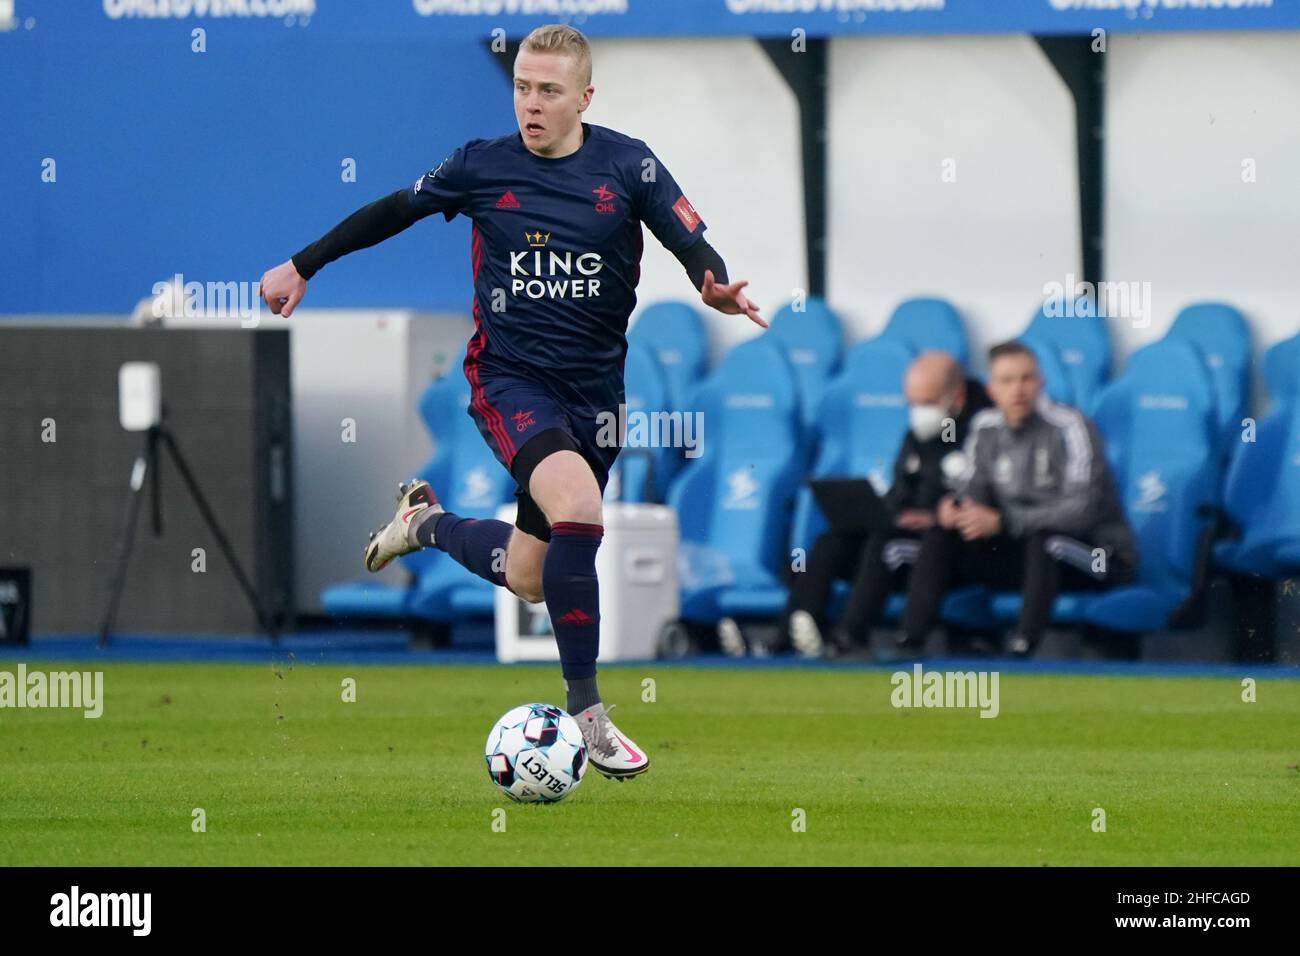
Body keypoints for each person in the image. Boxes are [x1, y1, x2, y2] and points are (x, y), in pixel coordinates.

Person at [257, 24, 765, 780]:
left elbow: (692, 245)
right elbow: (393, 210)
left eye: (549, 91)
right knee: (579, 506)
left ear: (584, 97)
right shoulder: (480, 166)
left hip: (595, 397)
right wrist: (304, 263)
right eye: (524, 87)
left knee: (531, 574)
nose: (532, 103)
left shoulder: (630, 166)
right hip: (509, 382)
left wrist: (714, 285)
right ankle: (589, 718)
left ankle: (424, 524)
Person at [898, 341, 1138, 657]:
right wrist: (957, 510)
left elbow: (1083, 510)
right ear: (991, 389)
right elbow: (971, 490)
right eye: (1007, 381)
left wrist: (1004, 521)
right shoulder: (985, 427)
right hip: (1026, 555)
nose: (1018, 390)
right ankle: (909, 641)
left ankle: (1022, 649)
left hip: (1099, 557)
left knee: (1047, 541)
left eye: (1026, 378)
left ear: (1041, 382)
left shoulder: (1071, 427)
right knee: (941, 535)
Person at [779, 350, 990, 658]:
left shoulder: (984, 431)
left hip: (950, 550)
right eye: (913, 403)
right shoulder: (916, 437)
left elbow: (979, 497)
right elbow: (900, 494)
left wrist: (933, 516)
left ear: (955, 396)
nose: (918, 412)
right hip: (905, 536)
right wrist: (883, 512)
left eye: (927, 403)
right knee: (833, 541)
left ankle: (849, 636)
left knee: (886, 543)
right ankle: (789, 631)